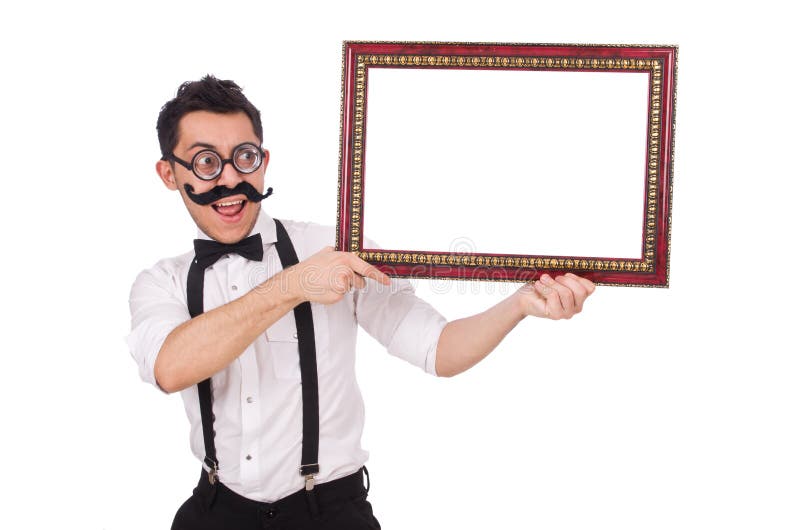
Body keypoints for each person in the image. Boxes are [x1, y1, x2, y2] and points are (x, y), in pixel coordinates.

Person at [127, 75, 595, 530]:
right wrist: (292, 285)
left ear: (264, 161)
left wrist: (519, 304)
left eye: (244, 157)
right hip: (215, 511)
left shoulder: (334, 249)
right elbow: (171, 367)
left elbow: (439, 348)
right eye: (206, 162)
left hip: (330, 514)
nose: (231, 178)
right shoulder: (161, 283)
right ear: (169, 173)